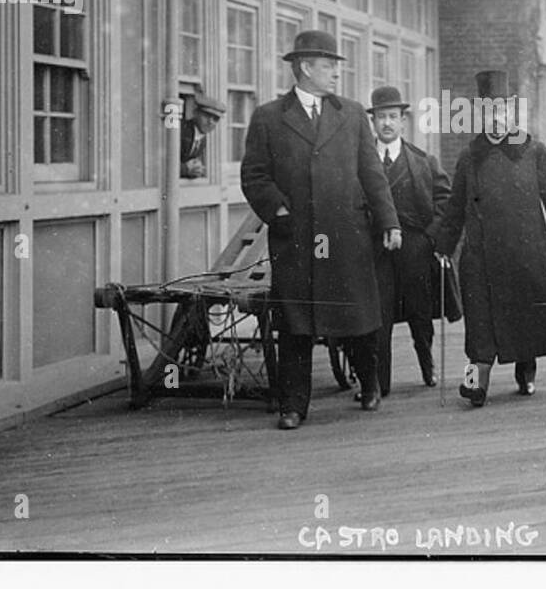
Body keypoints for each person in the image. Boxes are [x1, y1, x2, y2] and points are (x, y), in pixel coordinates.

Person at [240, 29, 401, 430]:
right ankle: (293, 406)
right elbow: (254, 175)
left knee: (358, 317)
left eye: (335, 67)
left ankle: (369, 384)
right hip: (295, 237)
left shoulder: (350, 115)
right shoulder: (269, 117)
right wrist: (278, 211)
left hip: (346, 235)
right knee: (295, 324)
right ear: (305, 68)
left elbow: (372, 173)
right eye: (328, 66)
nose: (335, 74)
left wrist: (389, 221)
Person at [432, 70, 546, 406]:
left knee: (524, 319)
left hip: (526, 253)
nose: (496, 118)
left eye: (502, 111)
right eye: (488, 111)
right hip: (480, 256)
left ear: (512, 113)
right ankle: (475, 382)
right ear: (480, 114)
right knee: (479, 326)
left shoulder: (533, 151)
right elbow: (455, 206)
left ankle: (526, 371)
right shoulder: (470, 156)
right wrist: (443, 246)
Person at [367, 85, 452, 395]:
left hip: (415, 247)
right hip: (376, 249)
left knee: (419, 312)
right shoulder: (362, 162)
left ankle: (426, 364)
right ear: (372, 122)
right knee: (379, 314)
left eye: (393, 117)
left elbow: (446, 201)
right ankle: (379, 382)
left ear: (403, 121)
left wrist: (429, 239)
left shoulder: (422, 161)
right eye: (380, 117)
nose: (387, 123)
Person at [180, 91, 225, 179]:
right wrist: (185, 169)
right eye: (207, 116)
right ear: (195, 113)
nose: (211, 122)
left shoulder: (202, 139)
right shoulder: (181, 130)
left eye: (216, 119)